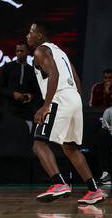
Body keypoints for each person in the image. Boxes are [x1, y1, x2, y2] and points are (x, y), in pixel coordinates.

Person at [27, 21, 104, 205]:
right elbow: (76, 79)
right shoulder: (60, 52)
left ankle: (59, 183)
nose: (27, 36)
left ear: (39, 36)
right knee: (69, 147)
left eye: (30, 33)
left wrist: (46, 105)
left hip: (59, 98)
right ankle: (94, 190)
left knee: (39, 144)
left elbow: (54, 74)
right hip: (73, 98)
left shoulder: (40, 50)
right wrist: (74, 103)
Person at [0, 42, 40, 125]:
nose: (19, 53)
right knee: (11, 134)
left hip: (26, 110)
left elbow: (37, 90)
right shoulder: (8, 67)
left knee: (25, 134)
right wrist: (13, 94)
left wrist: (31, 96)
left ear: (27, 52)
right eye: (17, 51)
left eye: (22, 51)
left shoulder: (32, 70)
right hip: (10, 110)